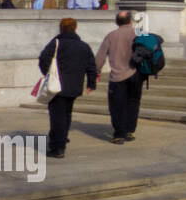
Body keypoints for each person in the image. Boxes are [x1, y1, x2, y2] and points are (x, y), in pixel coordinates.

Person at [37, 17, 97, 159]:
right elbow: (91, 66)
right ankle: (62, 137)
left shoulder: (56, 43)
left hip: (57, 86)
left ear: (61, 28)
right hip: (75, 86)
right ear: (75, 28)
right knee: (67, 114)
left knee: (57, 116)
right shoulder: (84, 46)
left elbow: (43, 59)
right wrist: (91, 83)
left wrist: (48, 73)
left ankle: (58, 147)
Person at [95, 10, 141, 145]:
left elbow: (100, 56)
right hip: (135, 73)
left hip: (117, 75)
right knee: (133, 102)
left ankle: (119, 133)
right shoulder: (138, 33)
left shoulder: (111, 35)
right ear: (131, 21)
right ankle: (129, 130)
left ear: (117, 22)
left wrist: (97, 70)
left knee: (117, 105)